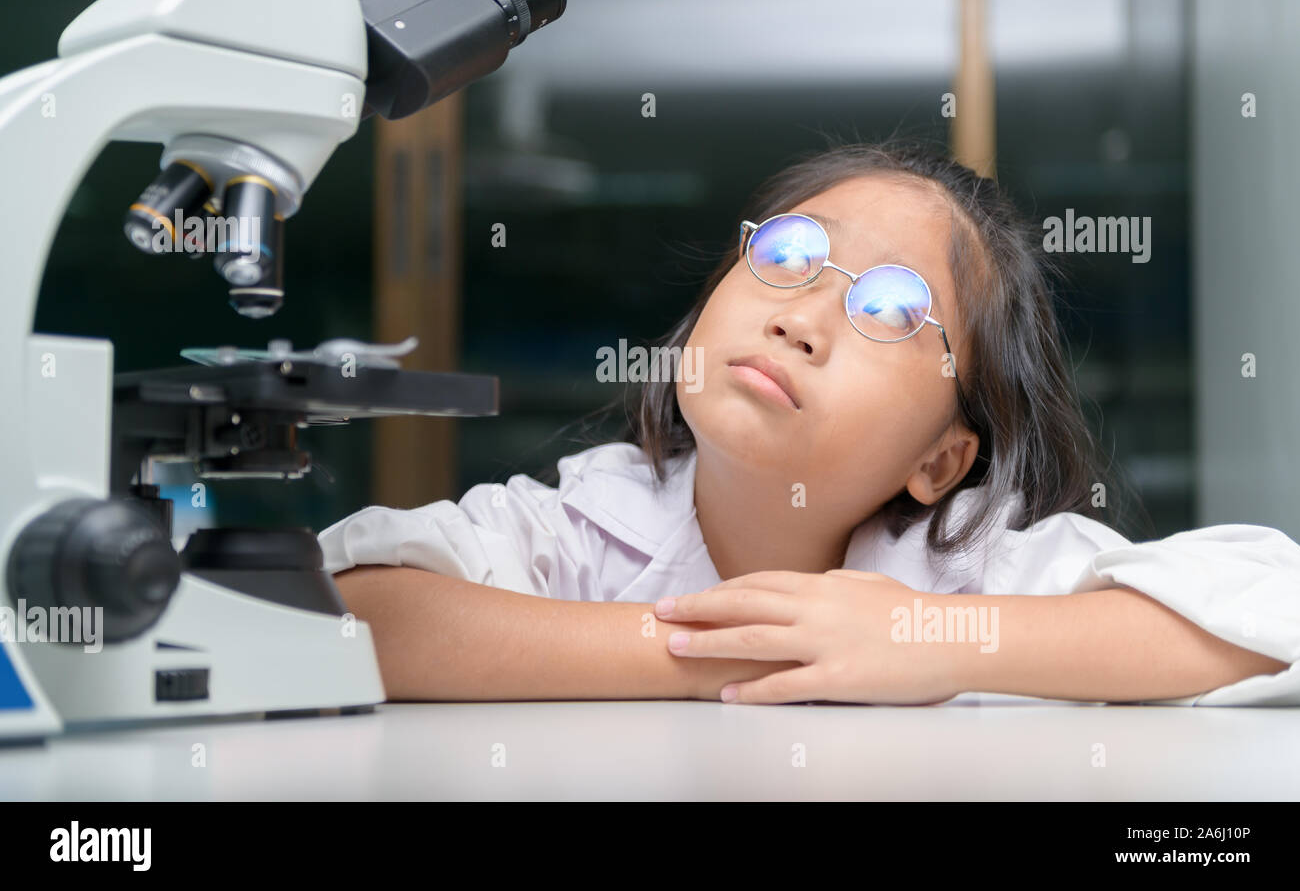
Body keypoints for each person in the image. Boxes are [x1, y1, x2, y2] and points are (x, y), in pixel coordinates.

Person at [321, 138, 1298, 706]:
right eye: (787, 253)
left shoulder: (960, 566)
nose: (803, 315)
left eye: (888, 310)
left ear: (939, 458)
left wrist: (933, 635)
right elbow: (354, 610)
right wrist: (751, 651)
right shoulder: (592, 517)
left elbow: (1274, 611)